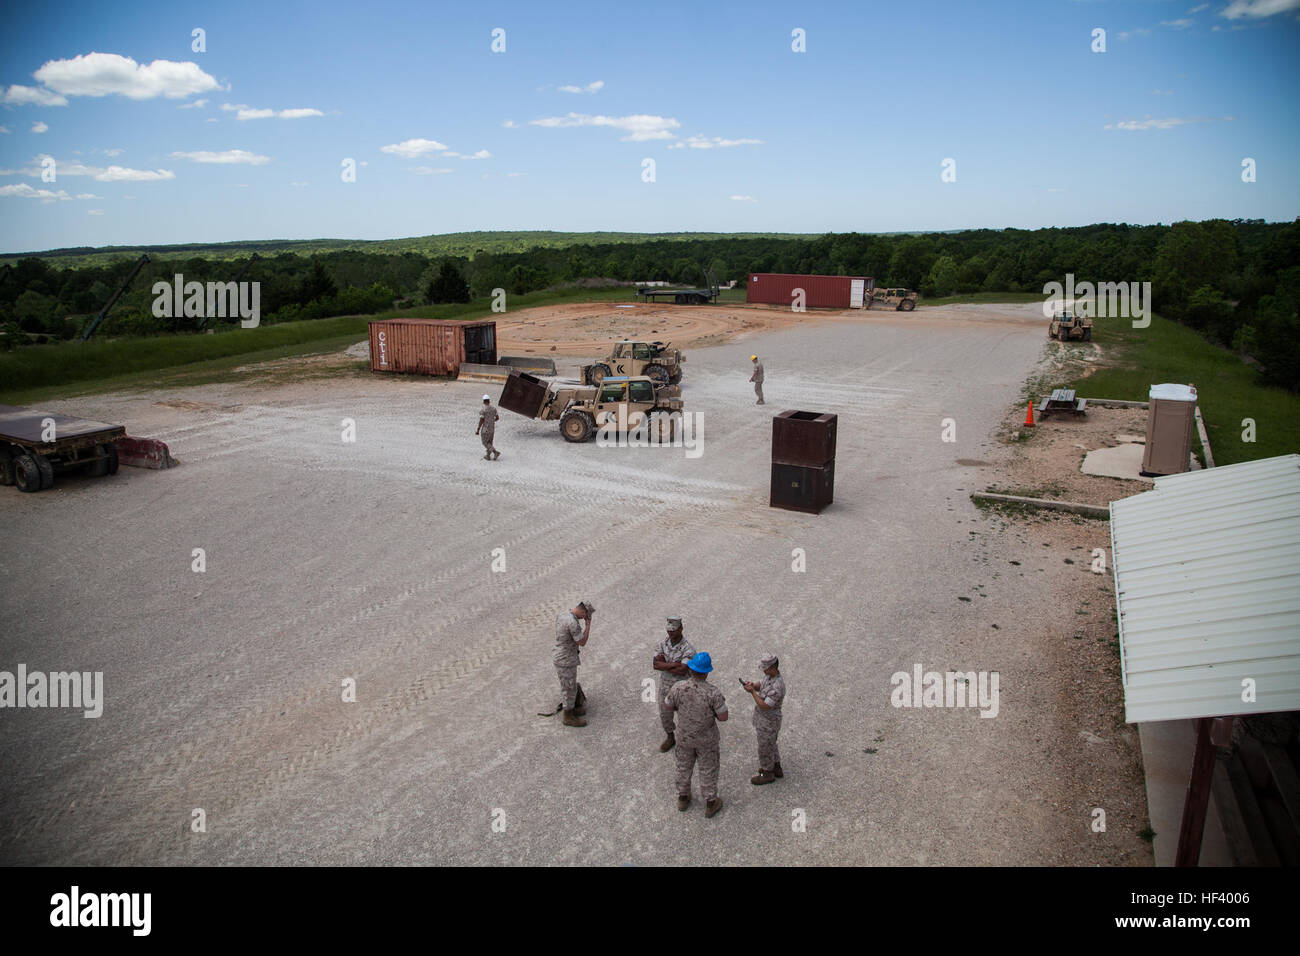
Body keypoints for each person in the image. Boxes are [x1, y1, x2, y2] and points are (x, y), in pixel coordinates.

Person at [662, 651, 728, 817]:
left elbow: (668, 706)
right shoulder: (713, 693)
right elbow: (723, 717)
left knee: (683, 766)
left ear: (691, 670)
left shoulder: (678, 687)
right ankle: (711, 803)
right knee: (708, 769)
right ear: (706, 672)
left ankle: (683, 798)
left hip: (684, 737)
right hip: (706, 740)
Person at [652, 617, 697, 753]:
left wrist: (664, 665)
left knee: (686, 716)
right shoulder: (663, 644)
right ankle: (670, 737)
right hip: (666, 687)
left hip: (683, 688)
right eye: (669, 630)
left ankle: (689, 741)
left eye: (673, 631)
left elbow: (683, 670)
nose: (670, 633)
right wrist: (674, 664)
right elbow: (655, 664)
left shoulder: (688, 648)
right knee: (665, 714)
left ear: (681, 629)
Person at [744, 654, 786, 785]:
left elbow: (765, 705)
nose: (763, 670)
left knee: (764, 746)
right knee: (771, 743)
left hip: (769, 721)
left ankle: (767, 773)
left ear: (772, 667)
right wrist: (753, 685)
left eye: (765, 668)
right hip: (764, 720)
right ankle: (776, 766)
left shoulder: (777, 686)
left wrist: (752, 692)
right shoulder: (769, 676)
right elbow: (761, 684)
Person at [553, 602, 593, 727]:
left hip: (561, 656)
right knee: (569, 687)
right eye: (586, 616)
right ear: (583, 612)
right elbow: (582, 641)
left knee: (569, 683)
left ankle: (574, 705)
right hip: (566, 659)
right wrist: (588, 626)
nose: (584, 618)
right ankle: (568, 716)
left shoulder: (563, 615)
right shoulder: (573, 623)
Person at [476, 395, 500, 460]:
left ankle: (495, 452)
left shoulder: (483, 410)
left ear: (483, 401)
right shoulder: (494, 409)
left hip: (485, 429)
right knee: (490, 442)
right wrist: (491, 421)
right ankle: (488, 456)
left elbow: (481, 420)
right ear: (489, 401)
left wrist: (478, 429)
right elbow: (497, 418)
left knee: (485, 442)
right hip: (492, 428)